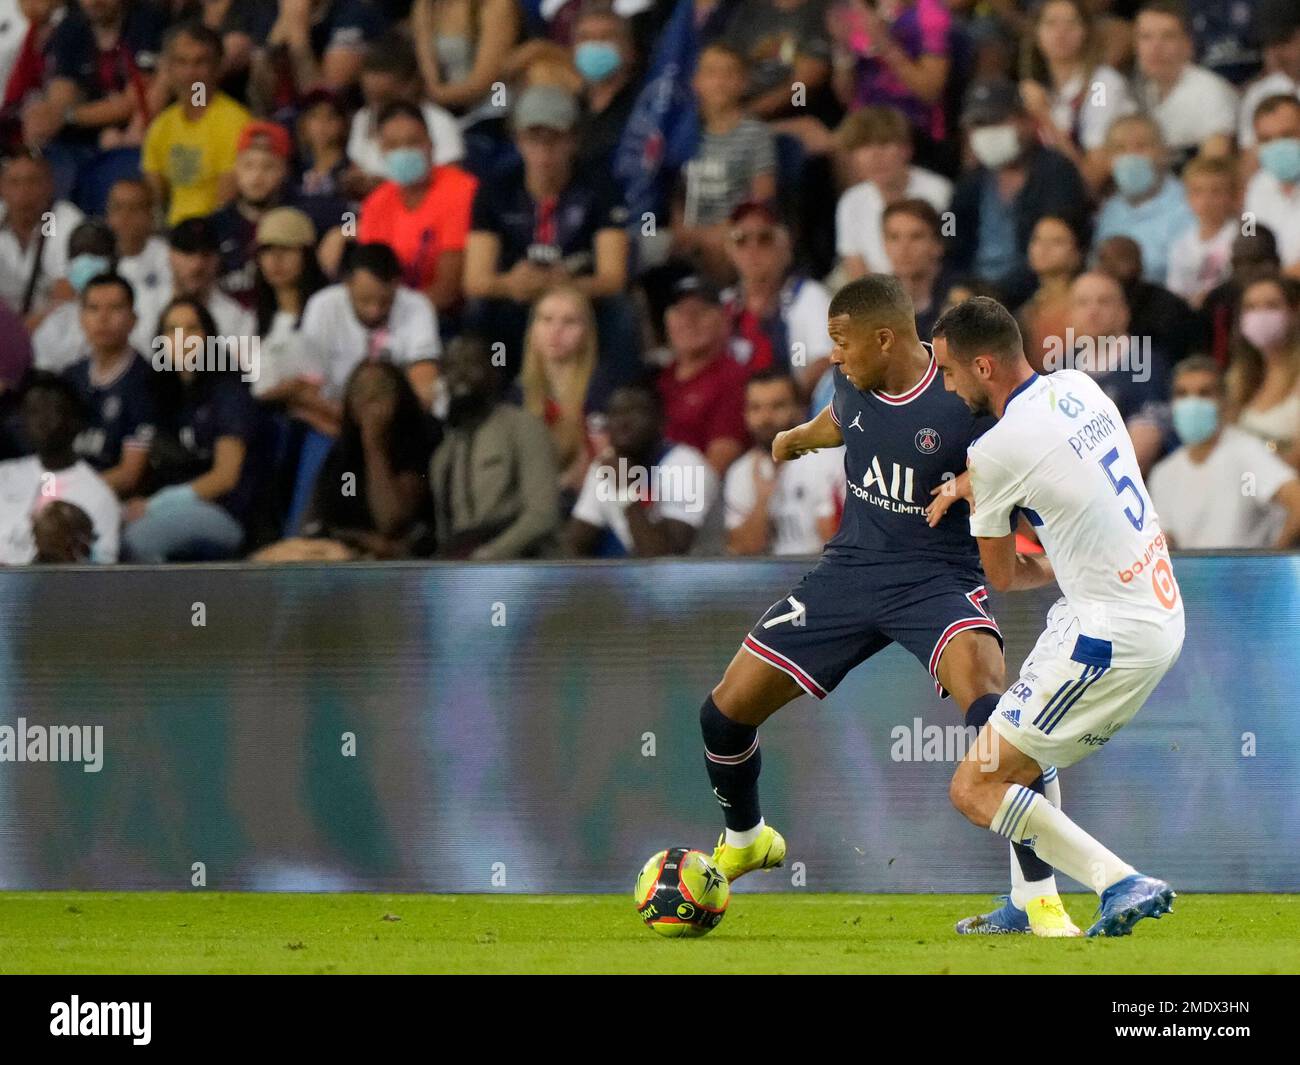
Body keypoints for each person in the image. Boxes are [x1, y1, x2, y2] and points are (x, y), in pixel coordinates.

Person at [694, 278, 1065, 933]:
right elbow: (841, 418)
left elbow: (1029, 471)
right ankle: (748, 834)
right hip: (850, 573)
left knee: (999, 719)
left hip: (938, 581)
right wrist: (800, 438)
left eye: (842, 342)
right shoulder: (853, 384)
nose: (833, 356)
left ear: (884, 338)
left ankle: (1037, 897)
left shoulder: (966, 401)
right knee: (723, 714)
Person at [929, 295, 1185, 938]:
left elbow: (1003, 576)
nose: (947, 383)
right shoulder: (1079, 387)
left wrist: (974, 490)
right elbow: (1058, 468)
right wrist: (976, 485)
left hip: (1106, 635)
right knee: (1023, 749)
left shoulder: (994, 453)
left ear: (982, 366)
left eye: (950, 370)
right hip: (1145, 604)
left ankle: (1119, 880)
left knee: (976, 789)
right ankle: (1027, 900)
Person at [462, 84, 630, 375]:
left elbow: (613, 277)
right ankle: (492, 393)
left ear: (573, 141)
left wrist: (567, 286)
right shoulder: (496, 189)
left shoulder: (600, 187)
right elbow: (475, 279)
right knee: (480, 310)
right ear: (517, 140)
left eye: (554, 140)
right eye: (533, 139)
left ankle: (610, 393)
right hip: (518, 296)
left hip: (579, 295)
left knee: (620, 310)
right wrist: (509, 284)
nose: (543, 151)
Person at [254, 359, 438, 562]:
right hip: (344, 554)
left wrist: (373, 444)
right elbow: (336, 515)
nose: (370, 398)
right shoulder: (346, 459)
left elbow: (390, 520)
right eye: (360, 391)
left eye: (381, 389)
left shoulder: (419, 445)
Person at [122, 296, 259, 562]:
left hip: (224, 511)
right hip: (172, 506)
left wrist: (155, 505)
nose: (182, 338)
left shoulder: (229, 392)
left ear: (209, 337)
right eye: (172, 330)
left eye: (192, 329)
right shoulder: (162, 391)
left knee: (135, 542)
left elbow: (225, 477)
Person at [947, 80, 1087, 309]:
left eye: (998, 121)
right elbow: (950, 232)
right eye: (980, 124)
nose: (988, 132)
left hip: (1029, 295)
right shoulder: (970, 182)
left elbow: (1056, 245)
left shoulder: (1055, 171)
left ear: (1028, 122)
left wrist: (995, 294)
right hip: (971, 294)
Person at [430, 334, 559, 560]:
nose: (461, 374)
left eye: (472, 364)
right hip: (463, 568)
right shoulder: (443, 454)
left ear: (494, 373)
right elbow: (446, 533)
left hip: (525, 563)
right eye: (452, 367)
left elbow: (543, 514)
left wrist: (490, 555)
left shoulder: (523, 427)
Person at [1148, 356, 1300, 549]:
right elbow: (1165, 541)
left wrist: (1271, 564)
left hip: (1246, 576)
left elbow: (1296, 501)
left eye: (1204, 393)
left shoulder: (1246, 453)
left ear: (1223, 402)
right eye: (1182, 394)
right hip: (1192, 577)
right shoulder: (1163, 474)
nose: (1192, 403)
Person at [21, 0, 165, 201]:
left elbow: (133, 101)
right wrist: (50, 117)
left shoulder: (147, 21)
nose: (95, 2)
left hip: (131, 137)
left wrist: (69, 115)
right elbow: (60, 96)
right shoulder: (71, 26)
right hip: (78, 139)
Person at [567, 379, 718, 559]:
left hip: (699, 581)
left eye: (635, 412)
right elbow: (575, 544)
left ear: (661, 421)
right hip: (625, 580)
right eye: (615, 413)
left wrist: (626, 492)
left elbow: (665, 560)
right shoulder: (607, 464)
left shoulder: (687, 467)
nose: (622, 422)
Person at [357, 101, 478, 313]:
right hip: (388, 314)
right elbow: (371, 278)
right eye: (393, 145)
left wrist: (402, 321)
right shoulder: (375, 203)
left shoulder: (461, 190)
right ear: (381, 150)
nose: (403, 151)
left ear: (431, 144)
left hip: (448, 316)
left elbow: (448, 288)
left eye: (413, 142)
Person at [672, 41, 777, 282]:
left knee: (722, 245)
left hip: (733, 230)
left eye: (729, 73)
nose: (719, 81)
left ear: (744, 82)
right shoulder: (682, 134)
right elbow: (676, 194)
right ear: (696, 81)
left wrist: (718, 232)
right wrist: (683, 230)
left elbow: (762, 199)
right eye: (711, 73)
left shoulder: (756, 134)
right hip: (689, 232)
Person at [299, 241, 441, 413]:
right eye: (365, 300)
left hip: (395, 417)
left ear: (397, 285)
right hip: (333, 413)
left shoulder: (417, 306)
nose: (375, 311)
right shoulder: (322, 306)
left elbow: (424, 381)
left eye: (385, 302)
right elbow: (309, 385)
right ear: (347, 284)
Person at [0, 371, 120, 564]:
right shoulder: (4, 474)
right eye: (33, 412)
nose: (40, 421)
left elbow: (101, 579)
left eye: (51, 411)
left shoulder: (98, 497)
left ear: (75, 421)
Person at [1017, 0, 1136, 195]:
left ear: (1086, 32)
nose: (1061, 32)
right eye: (1051, 23)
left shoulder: (1101, 85)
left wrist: (1044, 116)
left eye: (1071, 23)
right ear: (1036, 33)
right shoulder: (1041, 90)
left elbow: (1091, 177)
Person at [141, 22, 252, 225]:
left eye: (200, 62)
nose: (190, 74)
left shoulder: (236, 122)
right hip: (171, 237)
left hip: (213, 235)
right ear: (169, 69)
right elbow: (154, 200)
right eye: (181, 62)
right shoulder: (162, 126)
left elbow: (225, 205)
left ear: (217, 67)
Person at [724, 369, 842, 556]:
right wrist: (762, 499)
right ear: (745, 415)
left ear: (800, 410)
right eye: (756, 408)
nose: (766, 418)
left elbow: (836, 546)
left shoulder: (827, 459)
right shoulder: (741, 471)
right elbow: (742, 551)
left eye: (777, 406)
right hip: (765, 581)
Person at [61, 272, 156, 498]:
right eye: (93, 309)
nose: (103, 318)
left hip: (118, 502)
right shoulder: (70, 376)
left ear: (133, 319)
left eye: (115, 308)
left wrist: (70, 493)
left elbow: (129, 474)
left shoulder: (145, 382)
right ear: (81, 318)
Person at [722, 200, 833, 391]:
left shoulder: (809, 296)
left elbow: (826, 358)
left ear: (785, 246)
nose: (752, 249)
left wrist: (786, 397)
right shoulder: (724, 303)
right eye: (741, 240)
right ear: (730, 250)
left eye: (764, 238)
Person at [834, 105, 952, 280]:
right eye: (865, 147)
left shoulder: (940, 192)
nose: (875, 156)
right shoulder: (851, 201)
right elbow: (854, 264)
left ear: (906, 149)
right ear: (853, 158)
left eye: (884, 144)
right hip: (876, 292)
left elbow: (948, 253)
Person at [345, 33, 464, 197]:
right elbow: (356, 171)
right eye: (370, 96)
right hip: (371, 209)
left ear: (410, 85)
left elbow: (452, 185)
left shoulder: (439, 122)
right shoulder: (363, 117)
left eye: (385, 97)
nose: (377, 105)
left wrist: (387, 188)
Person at [249, 207, 334, 434]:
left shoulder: (329, 312)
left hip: (324, 428)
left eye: (286, 248)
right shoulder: (251, 321)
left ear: (307, 254)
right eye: (267, 250)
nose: (276, 259)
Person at [517, 284, 603, 503]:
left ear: (587, 333)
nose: (556, 331)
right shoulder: (515, 395)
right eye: (546, 320)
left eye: (569, 322)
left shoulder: (601, 391)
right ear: (533, 329)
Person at [657, 274, 748, 477]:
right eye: (679, 312)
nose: (689, 320)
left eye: (702, 311)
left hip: (696, 498)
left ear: (724, 320)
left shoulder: (733, 379)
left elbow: (716, 467)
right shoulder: (659, 378)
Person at [1092, 114, 1193, 287]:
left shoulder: (1189, 203)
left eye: (1141, 146)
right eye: (1120, 148)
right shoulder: (1109, 211)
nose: (1130, 156)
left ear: (1163, 152)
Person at [1131, 0, 1237, 163]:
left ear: (1188, 44)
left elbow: (1215, 166)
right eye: (1146, 37)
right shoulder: (1138, 89)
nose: (1155, 47)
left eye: (1168, 36)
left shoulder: (1210, 92)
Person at [210, 119, 296, 305]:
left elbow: (348, 218)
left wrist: (341, 234)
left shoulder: (297, 222)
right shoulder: (215, 225)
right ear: (237, 169)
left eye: (268, 167)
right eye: (248, 165)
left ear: (284, 171)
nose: (256, 176)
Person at [0, 151, 82, 325]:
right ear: (2, 187)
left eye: (32, 181)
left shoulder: (59, 220)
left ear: (49, 185)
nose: (23, 191)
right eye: (14, 182)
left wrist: (20, 333)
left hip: (49, 330)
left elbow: (65, 294)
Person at [1226, 275, 1300, 466]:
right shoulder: (1238, 377)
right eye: (1251, 307)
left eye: (1272, 305)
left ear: (1293, 312)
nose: (1260, 315)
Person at [163, 215, 256, 341]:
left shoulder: (237, 319)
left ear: (217, 260)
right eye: (188, 253)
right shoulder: (147, 306)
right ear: (170, 256)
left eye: (206, 255)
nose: (197, 265)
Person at [105, 177, 171, 352]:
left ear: (151, 215)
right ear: (108, 215)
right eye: (118, 208)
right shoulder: (97, 260)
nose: (125, 217)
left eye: (134, 209)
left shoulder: (168, 259)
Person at [1165, 155, 1238, 309]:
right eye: (1198, 192)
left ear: (1233, 196)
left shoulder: (1242, 234)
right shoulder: (1181, 243)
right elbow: (1175, 291)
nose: (1206, 200)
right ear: (1188, 197)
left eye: (1216, 192)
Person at [1244, 93, 1300, 275]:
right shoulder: (1256, 186)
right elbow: (1248, 236)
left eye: (1287, 135)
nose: (1278, 146)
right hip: (1271, 291)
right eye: (1266, 140)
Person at [881, 198, 951, 342]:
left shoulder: (962, 297)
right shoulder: (875, 301)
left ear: (937, 245)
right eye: (894, 237)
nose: (904, 248)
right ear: (884, 245)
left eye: (916, 237)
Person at [1019, 214, 1082, 370]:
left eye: (1057, 242)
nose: (1044, 248)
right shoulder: (1026, 311)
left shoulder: (1086, 306)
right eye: (1037, 239)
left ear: (1077, 253)